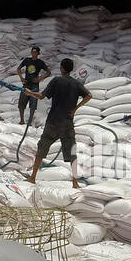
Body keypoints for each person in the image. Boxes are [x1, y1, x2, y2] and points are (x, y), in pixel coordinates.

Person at [26, 58, 92, 187]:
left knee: (42, 147)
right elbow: (89, 96)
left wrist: (29, 92)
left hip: (53, 122)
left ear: (62, 68)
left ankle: (33, 177)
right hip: (67, 122)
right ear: (71, 69)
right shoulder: (76, 83)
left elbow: (41, 96)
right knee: (72, 152)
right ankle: (75, 182)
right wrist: (75, 109)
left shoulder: (56, 81)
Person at [15, 45, 50, 125]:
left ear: (38, 53)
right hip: (26, 84)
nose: (33, 53)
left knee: (33, 104)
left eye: (35, 52)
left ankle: (30, 121)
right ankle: (22, 120)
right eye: (32, 52)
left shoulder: (40, 62)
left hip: (34, 85)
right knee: (21, 103)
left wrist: (40, 78)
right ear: (31, 52)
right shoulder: (27, 60)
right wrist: (21, 77)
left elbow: (48, 72)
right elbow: (18, 68)